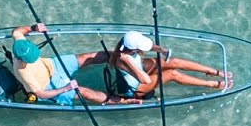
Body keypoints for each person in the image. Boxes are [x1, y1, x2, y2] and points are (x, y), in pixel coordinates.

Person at [8, 23, 141, 106]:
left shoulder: (20, 44)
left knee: (86, 57)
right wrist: (65, 89)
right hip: (49, 86)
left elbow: (17, 31)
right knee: (84, 92)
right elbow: (40, 94)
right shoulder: (22, 72)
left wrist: (33, 28)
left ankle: (122, 58)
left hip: (53, 65)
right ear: (23, 60)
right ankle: (124, 101)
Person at [91, 30, 232, 99]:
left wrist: (162, 51)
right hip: (134, 87)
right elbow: (144, 79)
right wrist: (129, 62)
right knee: (172, 73)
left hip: (137, 69)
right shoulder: (123, 60)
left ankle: (213, 72)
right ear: (133, 49)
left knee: (173, 62)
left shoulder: (126, 41)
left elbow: (149, 46)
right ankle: (212, 84)